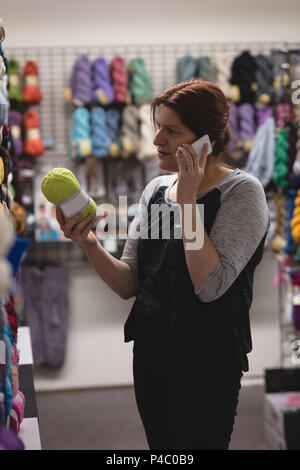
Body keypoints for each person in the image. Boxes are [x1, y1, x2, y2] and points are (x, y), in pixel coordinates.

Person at [56, 79, 270, 450]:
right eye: (158, 127)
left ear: (208, 140)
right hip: (152, 354)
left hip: (208, 362)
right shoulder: (156, 190)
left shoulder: (242, 193)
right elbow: (130, 283)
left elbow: (209, 285)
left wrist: (188, 201)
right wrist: (88, 243)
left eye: (171, 131)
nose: (157, 140)